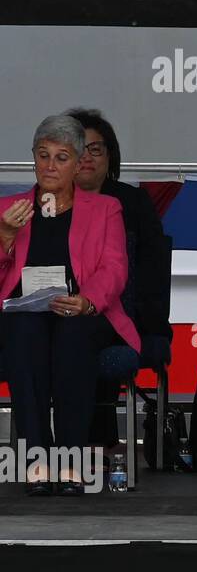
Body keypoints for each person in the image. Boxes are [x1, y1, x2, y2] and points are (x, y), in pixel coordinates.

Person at [0, 115, 139, 495]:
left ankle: (70, 459)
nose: (49, 165)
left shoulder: (105, 208)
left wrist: (87, 301)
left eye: (61, 157)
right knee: (23, 329)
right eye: (42, 155)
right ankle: (36, 460)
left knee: (72, 333)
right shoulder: (8, 209)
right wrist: (5, 238)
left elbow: (114, 268)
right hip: (24, 314)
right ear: (32, 159)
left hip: (83, 312)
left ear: (79, 165)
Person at [66, 108, 172, 452]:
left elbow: (152, 272)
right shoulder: (46, 202)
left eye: (95, 149)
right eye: (77, 148)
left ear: (109, 156)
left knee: (91, 331)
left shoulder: (134, 203)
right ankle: (46, 446)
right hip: (63, 310)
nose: (86, 157)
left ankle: (90, 443)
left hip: (127, 312)